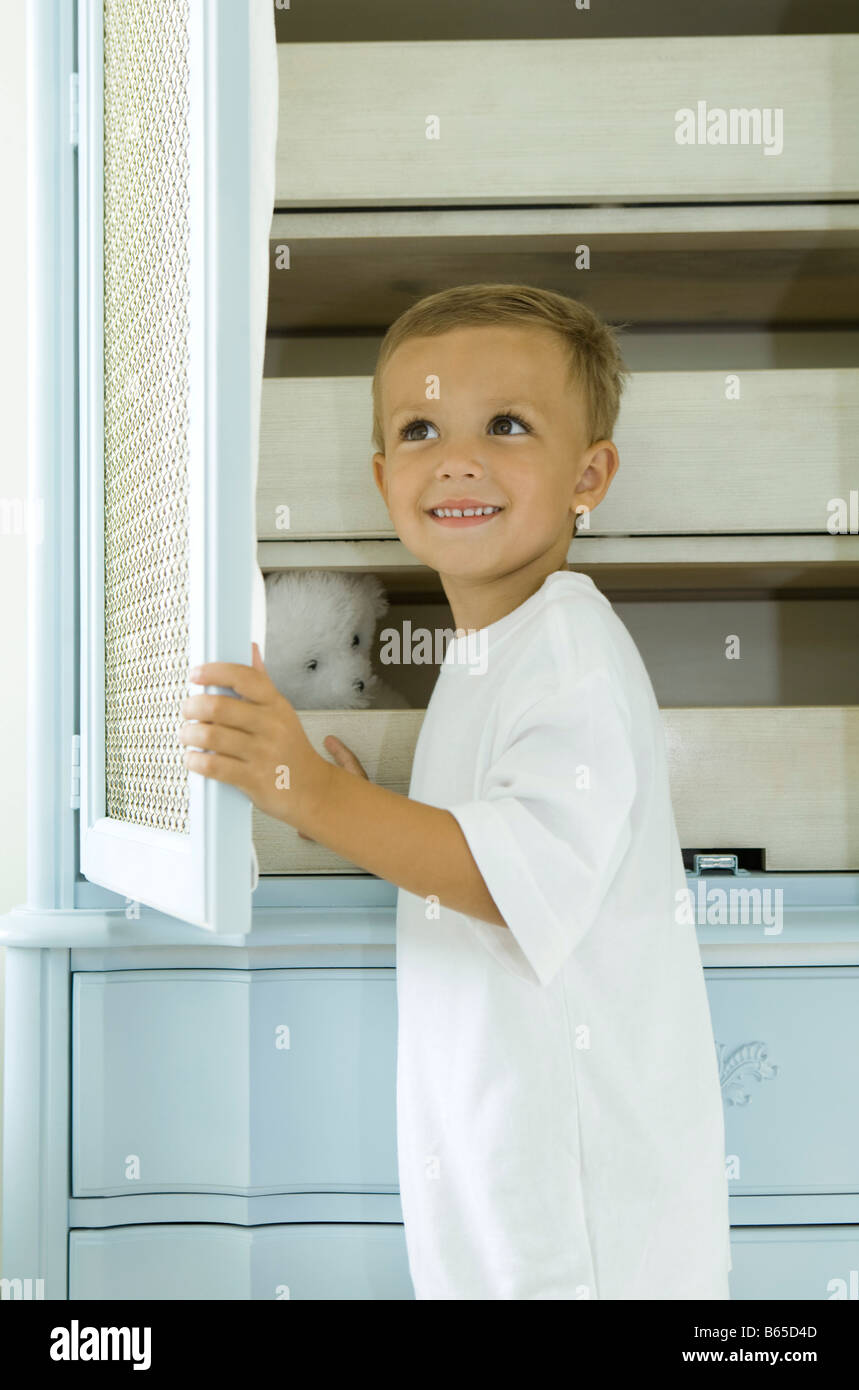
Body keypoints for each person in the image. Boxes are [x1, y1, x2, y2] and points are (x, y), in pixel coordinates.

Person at [180, 282, 733, 1300]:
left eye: (506, 425)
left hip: (581, 1237)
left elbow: (507, 879)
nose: (458, 458)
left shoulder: (565, 650)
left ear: (588, 476)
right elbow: (478, 846)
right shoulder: (492, 652)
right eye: (421, 429)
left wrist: (312, 794)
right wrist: (362, 816)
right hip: (509, 1192)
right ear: (384, 479)